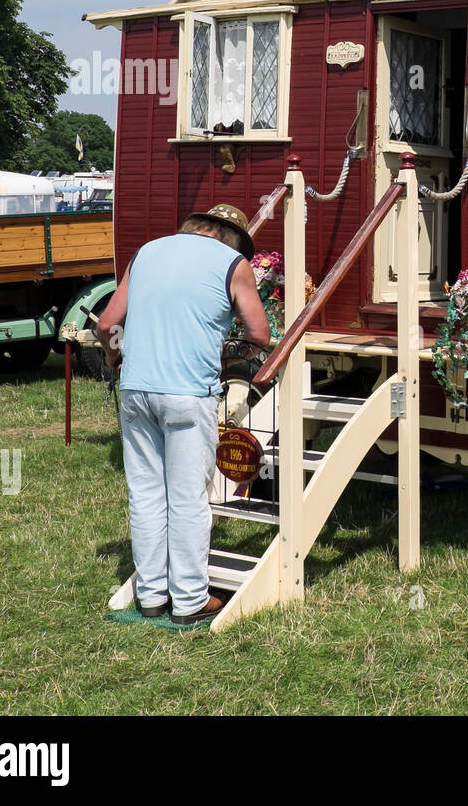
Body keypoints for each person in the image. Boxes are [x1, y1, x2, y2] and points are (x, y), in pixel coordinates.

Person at [98, 204, 272, 625]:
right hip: (189, 393)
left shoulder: (146, 252)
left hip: (137, 388)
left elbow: (107, 325)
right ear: (231, 238)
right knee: (188, 499)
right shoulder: (234, 264)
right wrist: (228, 352)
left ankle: (152, 596)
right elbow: (260, 334)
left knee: (145, 494)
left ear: (194, 227)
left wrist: (113, 358)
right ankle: (191, 601)